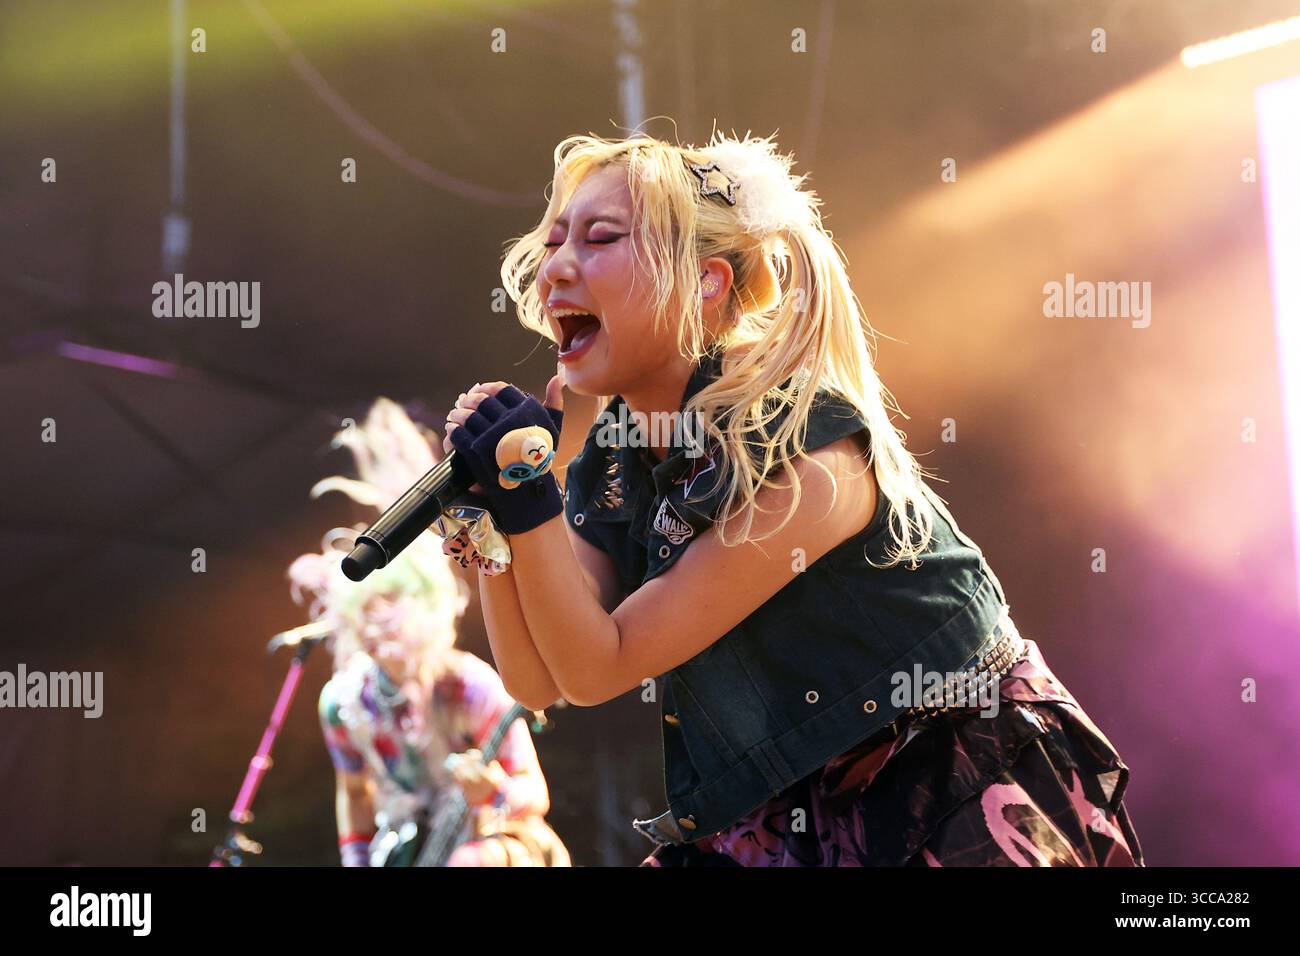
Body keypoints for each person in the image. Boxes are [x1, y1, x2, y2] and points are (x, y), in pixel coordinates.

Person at [440, 130, 1144, 866]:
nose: (553, 268)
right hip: (794, 813)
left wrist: (527, 498)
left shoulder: (808, 456)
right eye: (552, 243)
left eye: (598, 238)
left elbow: (597, 664)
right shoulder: (619, 453)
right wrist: (485, 512)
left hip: (939, 789)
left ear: (706, 281)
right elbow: (542, 677)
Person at [289, 399, 570, 867]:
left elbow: (533, 795)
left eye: (392, 607)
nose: (378, 624)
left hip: (491, 847)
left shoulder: (471, 685)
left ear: (426, 608)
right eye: (369, 610)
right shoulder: (343, 702)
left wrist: (492, 791)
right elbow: (354, 792)